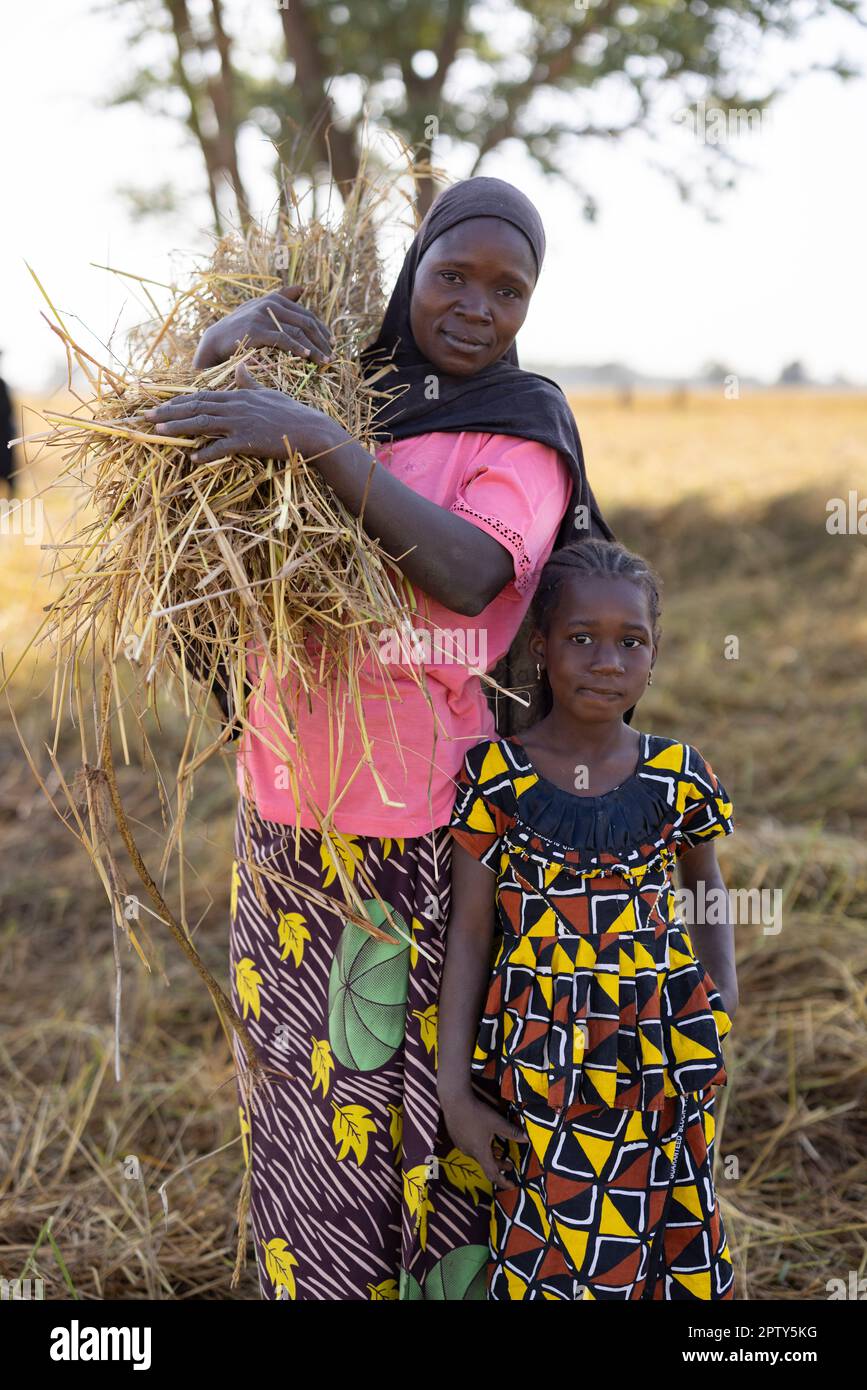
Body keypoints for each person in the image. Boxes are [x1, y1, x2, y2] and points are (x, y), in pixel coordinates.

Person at [145, 176, 616, 1300]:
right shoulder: (355, 396)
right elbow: (168, 463)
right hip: (281, 813)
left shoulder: (523, 429)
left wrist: (310, 439)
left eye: (510, 290)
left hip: (418, 834)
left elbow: (466, 574)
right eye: (454, 274)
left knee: (401, 1118)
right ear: (414, 273)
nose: (476, 306)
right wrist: (225, 344)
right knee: (298, 1102)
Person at [440, 537, 739, 1300]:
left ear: (654, 654)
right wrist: (452, 1088)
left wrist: (721, 998)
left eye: (630, 643)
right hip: (546, 1066)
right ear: (539, 648)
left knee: (668, 1229)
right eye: (582, 640)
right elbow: (472, 932)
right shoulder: (495, 777)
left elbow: (705, 888)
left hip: (660, 1055)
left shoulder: (678, 774)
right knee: (563, 1250)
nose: (608, 663)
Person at [0, 355, 20, 498]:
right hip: (5, 435)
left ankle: (10, 501)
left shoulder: (2, 384)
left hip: (4, 437)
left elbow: (9, 411)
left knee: (8, 469)